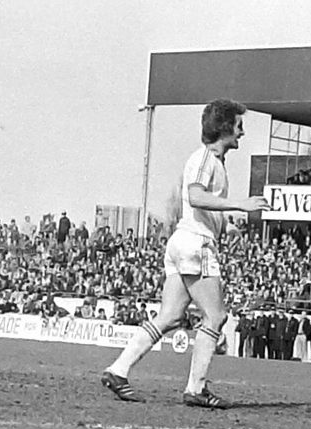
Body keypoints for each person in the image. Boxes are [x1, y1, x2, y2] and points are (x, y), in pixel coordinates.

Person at [100, 99, 268, 406]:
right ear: (226, 127)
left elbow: (199, 204)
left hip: (183, 241)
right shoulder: (206, 159)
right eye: (239, 126)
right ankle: (195, 388)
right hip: (195, 244)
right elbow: (196, 196)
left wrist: (225, 226)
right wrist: (240, 205)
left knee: (170, 315)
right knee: (215, 316)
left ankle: (118, 369)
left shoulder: (210, 161)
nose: (242, 133)